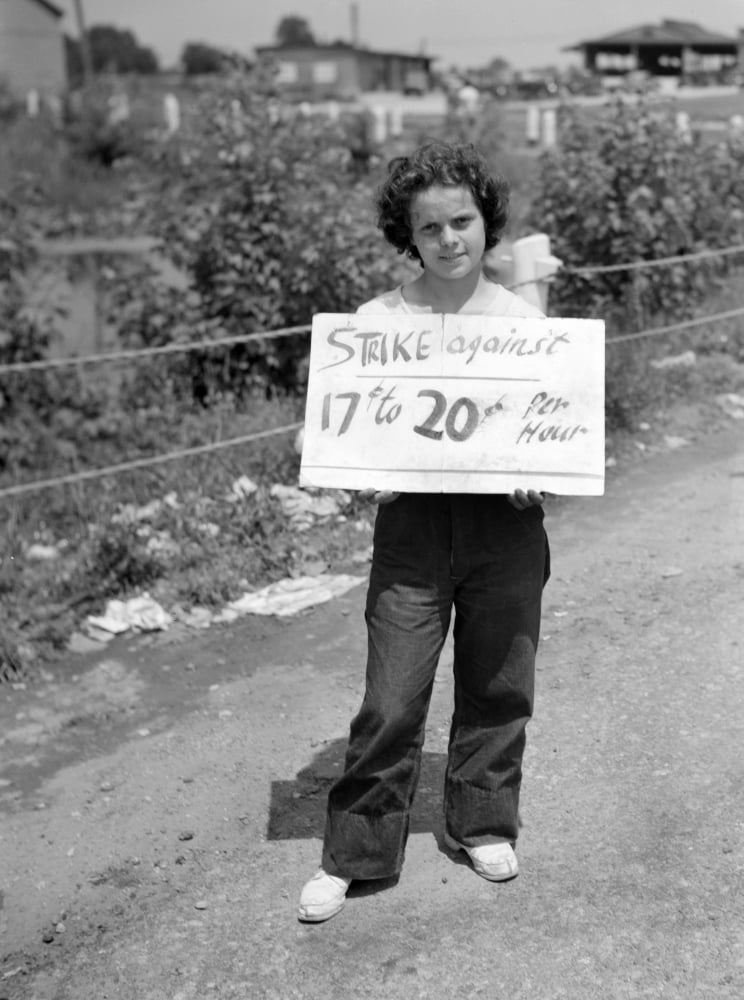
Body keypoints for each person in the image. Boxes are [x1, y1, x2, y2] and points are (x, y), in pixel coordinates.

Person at [298, 140, 550, 923]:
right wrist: (346, 462)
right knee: (391, 699)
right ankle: (355, 853)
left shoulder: (523, 322)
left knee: (499, 684)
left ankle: (481, 823)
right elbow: (345, 431)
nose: (449, 240)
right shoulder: (377, 324)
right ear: (409, 235)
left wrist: (536, 466)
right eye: (430, 227)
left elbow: (551, 427)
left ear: (487, 223)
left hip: (504, 527)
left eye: (463, 222)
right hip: (410, 528)